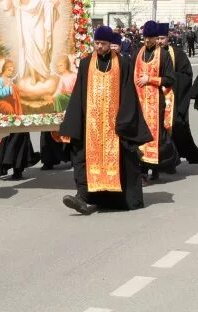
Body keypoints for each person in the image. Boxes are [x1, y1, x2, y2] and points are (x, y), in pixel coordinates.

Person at [59, 26, 153, 215]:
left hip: (115, 125)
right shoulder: (86, 64)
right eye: (96, 43)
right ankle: (83, 197)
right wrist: (74, 123)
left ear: (111, 44)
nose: (99, 47)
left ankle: (119, 199)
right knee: (82, 156)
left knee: (123, 158)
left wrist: (125, 122)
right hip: (91, 125)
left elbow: (128, 94)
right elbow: (79, 94)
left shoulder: (123, 63)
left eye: (102, 43)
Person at [0, 0, 60, 84]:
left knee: (42, 45)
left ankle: (41, 74)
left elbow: (46, 2)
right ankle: (34, 76)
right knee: (29, 48)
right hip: (25, 19)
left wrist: (52, 6)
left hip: (38, 19)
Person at [134, 20, 178, 182]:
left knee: (156, 137)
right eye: (145, 37)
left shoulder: (163, 55)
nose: (148, 41)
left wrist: (150, 79)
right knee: (140, 137)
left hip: (156, 103)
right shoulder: (138, 53)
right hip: (139, 102)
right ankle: (143, 171)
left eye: (151, 38)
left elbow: (169, 79)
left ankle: (156, 169)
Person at [157, 25, 198, 164]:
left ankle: (175, 157)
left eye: (162, 38)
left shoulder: (177, 54)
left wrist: (169, 80)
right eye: (157, 38)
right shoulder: (150, 54)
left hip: (174, 97)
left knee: (177, 127)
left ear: (168, 38)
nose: (159, 41)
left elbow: (186, 74)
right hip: (155, 97)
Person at [0, 60, 39, 180]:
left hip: (17, 112)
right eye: (9, 68)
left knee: (20, 137)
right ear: (4, 69)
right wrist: (9, 86)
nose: (11, 70)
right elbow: (1, 94)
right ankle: (0, 169)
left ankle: (18, 170)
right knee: (2, 139)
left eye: (13, 68)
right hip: (5, 111)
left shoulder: (12, 80)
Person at [40, 54, 76, 170]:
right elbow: (58, 91)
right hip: (62, 100)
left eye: (61, 65)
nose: (60, 67)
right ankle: (48, 160)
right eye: (58, 65)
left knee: (60, 98)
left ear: (67, 65)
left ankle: (73, 158)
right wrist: (51, 97)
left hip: (70, 101)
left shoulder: (74, 76)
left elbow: (76, 90)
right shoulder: (60, 78)